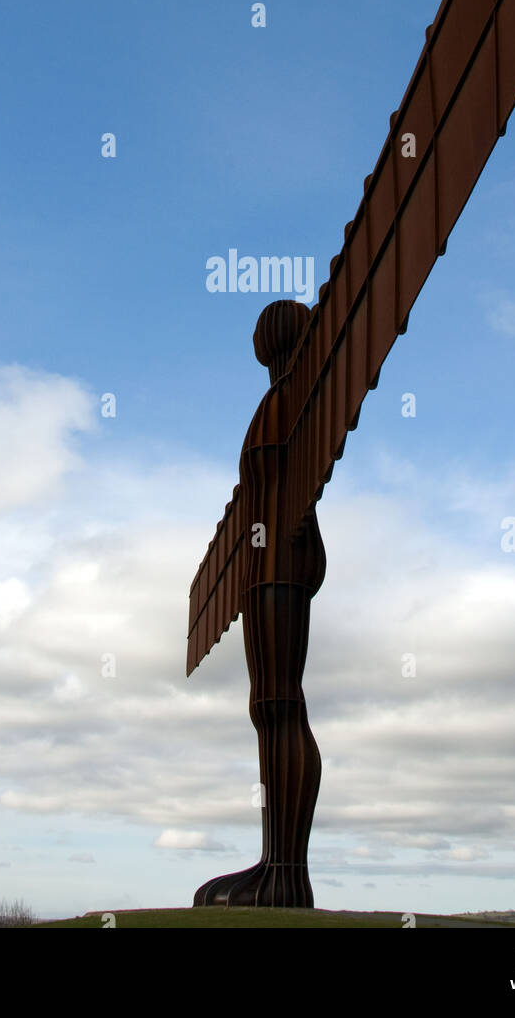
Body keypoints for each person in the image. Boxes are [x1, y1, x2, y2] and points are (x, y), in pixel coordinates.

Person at [194, 300, 325, 908]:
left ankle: (287, 873)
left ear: (275, 336)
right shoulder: (273, 406)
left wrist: (288, 550)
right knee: (267, 707)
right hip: (262, 569)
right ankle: (274, 864)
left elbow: (291, 488)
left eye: (259, 326)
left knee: (281, 703)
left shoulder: (299, 398)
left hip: (281, 567)